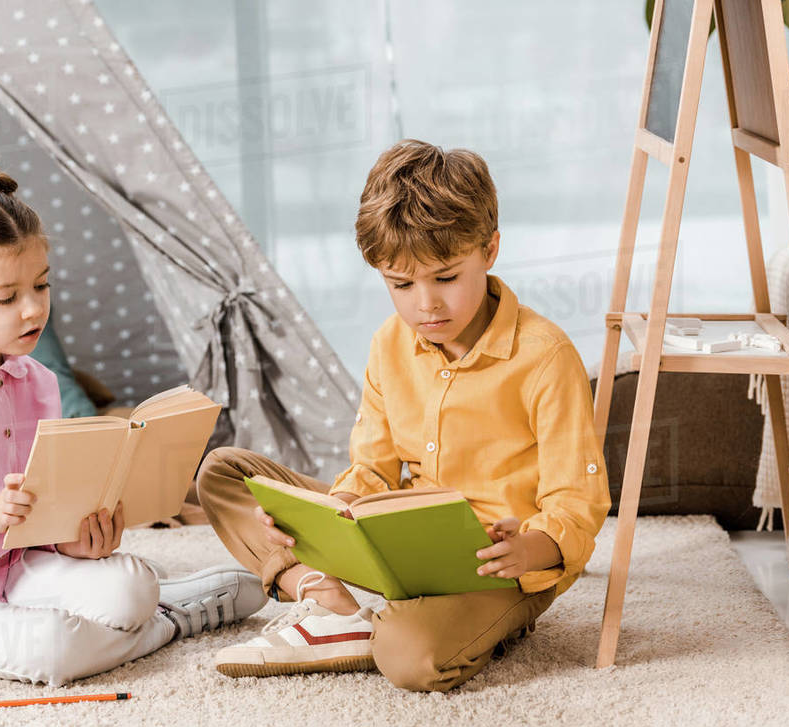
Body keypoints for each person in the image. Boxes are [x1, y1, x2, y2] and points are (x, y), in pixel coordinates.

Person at [197, 140, 611, 691]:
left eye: (445, 278)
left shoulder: (545, 356)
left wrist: (530, 548)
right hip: (398, 545)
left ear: (488, 251)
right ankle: (327, 601)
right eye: (400, 284)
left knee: (409, 659)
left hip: (495, 568)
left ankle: (441, 624)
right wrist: (328, 515)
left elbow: (577, 503)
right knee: (223, 473)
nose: (425, 305)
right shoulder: (390, 343)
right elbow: (372, 470)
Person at [0, 164, 265, 687]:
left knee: (131, 583)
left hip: (15, 569)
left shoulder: (36, 380)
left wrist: (73, 545)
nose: (33, 310)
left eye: (41, 286)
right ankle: (164, 624)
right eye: (7, 297)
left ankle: (149, 606)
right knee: (52, 649)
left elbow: (37, 516)